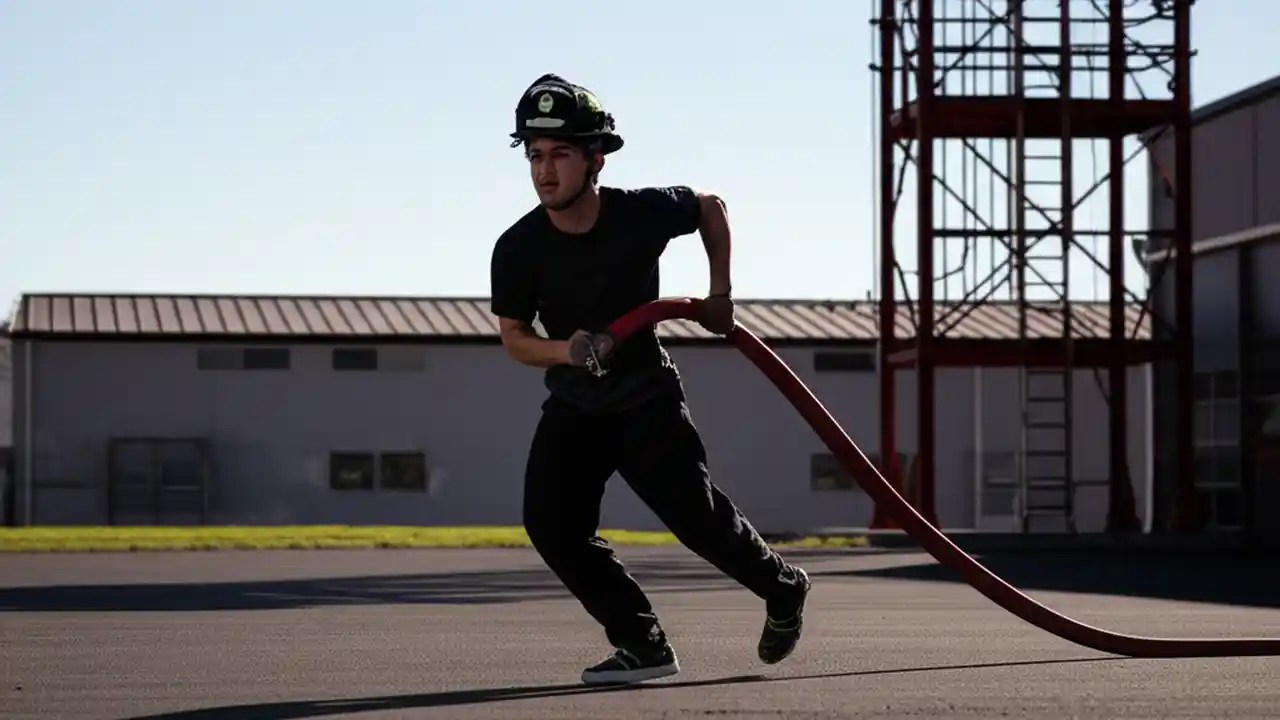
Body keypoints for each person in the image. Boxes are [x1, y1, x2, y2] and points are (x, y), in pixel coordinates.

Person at [488, 73, 812, 686]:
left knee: (699, 522)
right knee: (552, 525)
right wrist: (566, 349)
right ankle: (643, 642)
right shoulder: (518, 248)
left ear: (595, 157)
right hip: (576, 407)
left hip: (645, 403)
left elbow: (710, 207)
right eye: (534, 155)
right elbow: (515, 340)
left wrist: (721, 294)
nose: (544, 171)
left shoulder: (640, 213)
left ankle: (784, 587)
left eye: (559, 154)